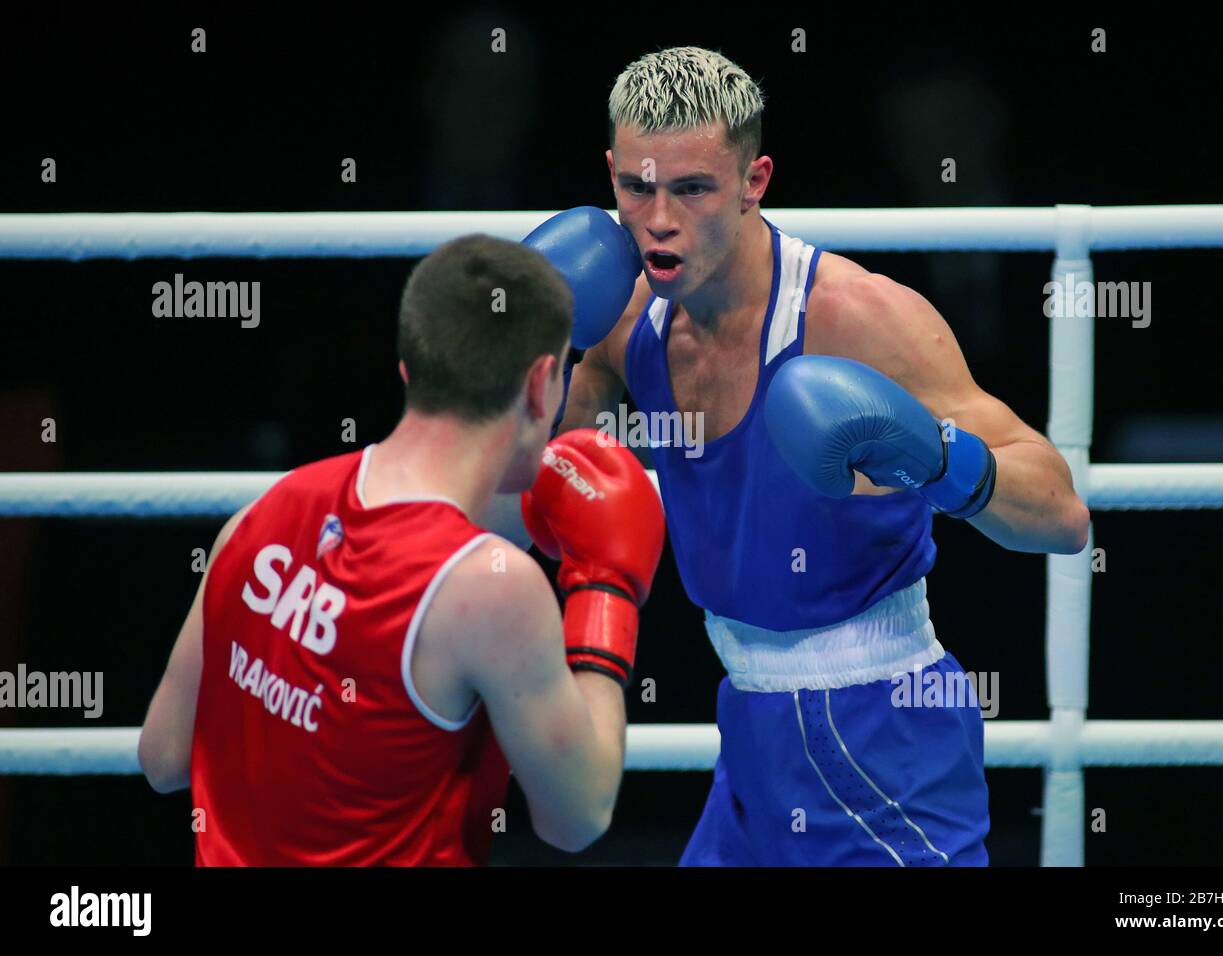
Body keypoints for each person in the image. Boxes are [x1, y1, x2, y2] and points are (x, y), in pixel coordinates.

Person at [555, 46, 1091, 866]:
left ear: (753, 181)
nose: (658, 218)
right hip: (747, 729)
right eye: (637, 187)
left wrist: (936, 457)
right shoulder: (621, 316)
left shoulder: (856, 318)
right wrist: (537, 340)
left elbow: (1060, 513)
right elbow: (528, 477)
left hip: (886, 735)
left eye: (692, 189)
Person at [138, 230, 664, 865]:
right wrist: (607, 591)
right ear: (540, 385)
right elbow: (577, 816)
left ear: (409, 368)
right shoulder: (495, 589)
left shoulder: (263, 514)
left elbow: (164, 757)